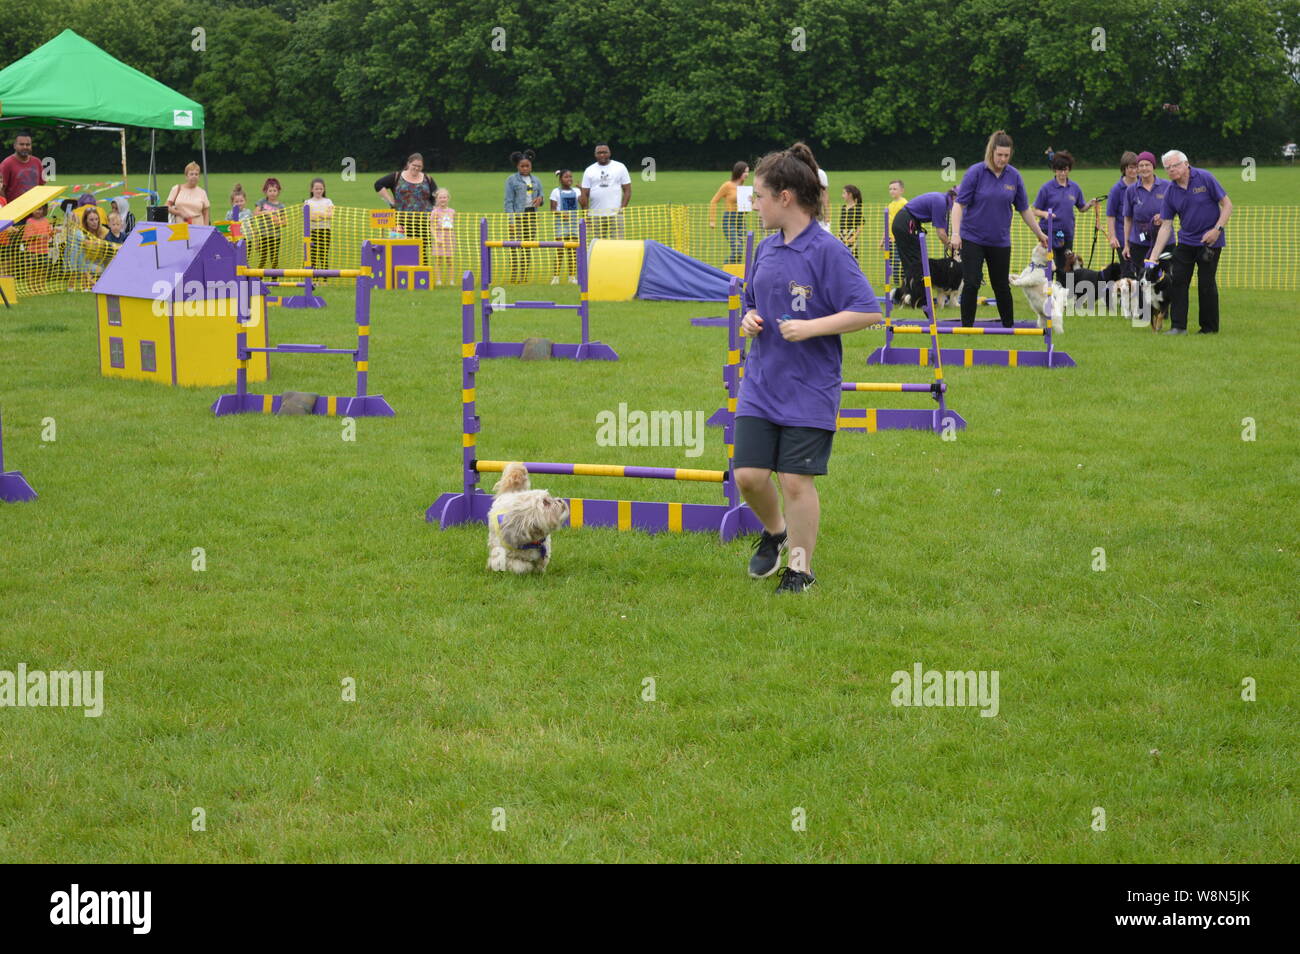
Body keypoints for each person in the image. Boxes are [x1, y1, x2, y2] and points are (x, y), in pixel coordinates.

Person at [735, 143, 883, 595]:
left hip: (810, 387)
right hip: (761, 380)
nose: (754, 204)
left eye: (759, 196)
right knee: (749, 476)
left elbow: (868, 311)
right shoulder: (764, 248)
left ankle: (800, 569)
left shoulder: (829, 250)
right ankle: (776, 532)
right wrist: (749, 319)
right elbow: (752, 302)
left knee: (797, 481)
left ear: (784, 197)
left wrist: (811, 327)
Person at [951, 130, 1049, 327]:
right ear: (991, 152)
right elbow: (958, 205)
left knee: (1001, 285)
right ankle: (966, 328)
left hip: (1000, 241)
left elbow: (1024, 209)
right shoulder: (976, 173)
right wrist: (955, 233)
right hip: (972, 238)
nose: (1003, 159)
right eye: (999, 155)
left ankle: (1008, 327)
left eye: (1006, 155)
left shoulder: (1014, 176)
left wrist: (1039, 233)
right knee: (971, 283)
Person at [1145, 150, 1233, 335]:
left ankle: (1209, 328)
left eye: (1175, 165)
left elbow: (1227, 205)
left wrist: (1217, 230)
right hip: (1186, 242)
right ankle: (1178, 327)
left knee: (1206, 284)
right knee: (1178, 282)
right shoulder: (1170, 191)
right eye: (1167, 167)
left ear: (1186, 164)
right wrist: (1153, 257)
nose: (1171, 170)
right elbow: (1166, 226)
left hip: (1210, 242)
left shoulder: (1205, 177)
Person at [1032, 151, 1098, 277]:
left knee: (1065, 265)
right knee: (1049, 264)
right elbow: (1034, 210)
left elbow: (1081, 208)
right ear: (1054, 170)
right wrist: (1045, 214)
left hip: (1066, 233)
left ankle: (1063, 291)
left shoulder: (1075, 188)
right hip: (1048, 233)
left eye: (1065, 170)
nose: (1062, 173)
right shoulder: (1046, 188)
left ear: (1069, 170)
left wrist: (1090, 204)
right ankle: (1047, 291)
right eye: (1059, 170)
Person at [374, 153, 438, 261]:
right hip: (401, 221)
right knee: (400, 248)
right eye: (414, 165)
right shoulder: (397, 176)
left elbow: (435, 196)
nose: (416, 168)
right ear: (408, 164)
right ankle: (400, 274)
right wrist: (390, 201)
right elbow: (378, 185)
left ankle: (421, 275)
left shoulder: (428, 179)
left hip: (423, 222)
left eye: (419, 166)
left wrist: (436, 212)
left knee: (421, 251)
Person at [892, 189, 955, 287]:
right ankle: (913, 293)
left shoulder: (941, 199)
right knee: (915, 262)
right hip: (906, 222)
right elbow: (941, 233)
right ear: (954, 197)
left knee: (913, 261)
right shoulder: (941, 202)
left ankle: (908, 292)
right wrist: (952, 247)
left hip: (905, 221)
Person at [1121, 152, 1167, 278]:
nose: (1144, 168)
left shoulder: (1167, 186)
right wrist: (1126, 244)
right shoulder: (1131, 190)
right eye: (1141, 165)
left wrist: (1164, 216)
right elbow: (1128, 219)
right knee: (1142, 282)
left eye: (1147, 164)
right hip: (1139, 244)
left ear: (1153, 167)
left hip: (1165, 242)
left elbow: (1178, 210)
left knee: (1167, 281)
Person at [504, 149, 544, 283]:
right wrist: (511, 220)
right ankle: (514, 274)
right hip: (518, 216)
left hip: (531, 215)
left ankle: (524, 275)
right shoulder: (511, 180)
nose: (525, 168)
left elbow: (541, 197)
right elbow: (508, 201)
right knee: (515, 245)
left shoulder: (536, 180)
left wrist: (540, 200)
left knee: (527, 245)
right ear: (517, 166)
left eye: (528, 166)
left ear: (531, 166)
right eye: (522, 166)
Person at [580, 143, 631, 239]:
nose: (602, 155)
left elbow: (627, 190)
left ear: (610, 153)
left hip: (615, 214)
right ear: (595, 154)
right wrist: (586, 215)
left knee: (617, 244)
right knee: (598, 245)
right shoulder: (589, 170)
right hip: (595, 215)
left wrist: (622, 209)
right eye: (599, 153)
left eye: (605, 152)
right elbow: (584, 194)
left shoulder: (620, 167)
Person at [709, 162, 750, 264]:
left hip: (741, 221)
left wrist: (750, 202)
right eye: (745, 172)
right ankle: (725, 267)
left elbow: (745, 211)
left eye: (748, 172)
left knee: (740, 253)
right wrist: (712, 220)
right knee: (738, 251)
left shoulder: (744, 188)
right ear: (739, 172)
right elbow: (714, 201)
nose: (747, 174)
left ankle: (734, 276)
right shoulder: (727, 185)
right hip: (729, 221)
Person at [549, 170, 580, 284]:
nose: (569, 179)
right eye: (566, 177)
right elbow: (552, 210)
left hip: (574, 225)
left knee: (573, 251)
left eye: (570, 177)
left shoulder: (576, 191)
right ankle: (555, 277)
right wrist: (561, 214)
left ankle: (572, 277)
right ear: (560, 179)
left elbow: (584, 203)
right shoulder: (555, 192)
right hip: (561, 225)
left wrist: (582, 190)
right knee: (560, 250)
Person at [1106, 151, 1139, 254]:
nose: (1134, 171)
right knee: (1127, 269)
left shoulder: (1143, 185)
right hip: (1123, 238)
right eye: (1130, 168)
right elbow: (1111, 215)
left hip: (1142, 237)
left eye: (1136, 167)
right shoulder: (1116, 189)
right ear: (1124, 168)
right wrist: (1112, 237)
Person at [0, 131, 45, 203]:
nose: (25, 147)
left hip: (34, 209)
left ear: (31, 146)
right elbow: (1, 189)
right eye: (21, 144)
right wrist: (5, 207)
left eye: (28, 144)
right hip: (15, 211)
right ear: (14, 146)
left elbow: (41, 186)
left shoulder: (37, 162)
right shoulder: (7, 164)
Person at [252, 178, 287, 269]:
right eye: (270, 190)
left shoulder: (281, 206)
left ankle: (274, 280)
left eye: (274, 190)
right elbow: (255, 213)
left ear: (278, 191)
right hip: (263, 235)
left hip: (275, 236)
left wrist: (277, 221)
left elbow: (284, 222)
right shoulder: (262, 202)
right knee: (263, 258)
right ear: (265, 191)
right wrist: (266, 213)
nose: (272, 193)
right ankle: (259, 279)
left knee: (274, 258)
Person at [305, 177, 334, 270]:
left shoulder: (328, 201)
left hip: (325, 231)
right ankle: (314, 279)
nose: (319, 190)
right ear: (311, 189)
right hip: (312, 232)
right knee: (313, 255)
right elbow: (309, 217)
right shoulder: (307, 202)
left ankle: (325, 279)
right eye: (316, 188)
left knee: (323, 255)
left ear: (324, 189)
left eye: (321, 188)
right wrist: (323, 216)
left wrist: (318, 214)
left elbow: (330, 215)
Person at [430, 188, 456, 286]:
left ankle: (452, 281)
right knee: (438, 260)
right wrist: (436, 238)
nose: (443, 199)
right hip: (439, 238)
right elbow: (431, 226)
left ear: (448, 198)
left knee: (450, 260)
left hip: (449, 238)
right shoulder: (435, 212)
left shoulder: (452, 212)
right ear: (437, 199)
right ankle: (438, 280)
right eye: (440, 197)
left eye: (444, 197)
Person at [838, 185, 863, 255]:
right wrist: (838, 236)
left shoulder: (857, 209)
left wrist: (854, 237)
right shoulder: (843, 208)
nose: (842, 195)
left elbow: (860, 225)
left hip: (851, 235)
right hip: (842, 236)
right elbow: (841, 224)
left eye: (844, 193)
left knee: (852, 257)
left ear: (850, 195)